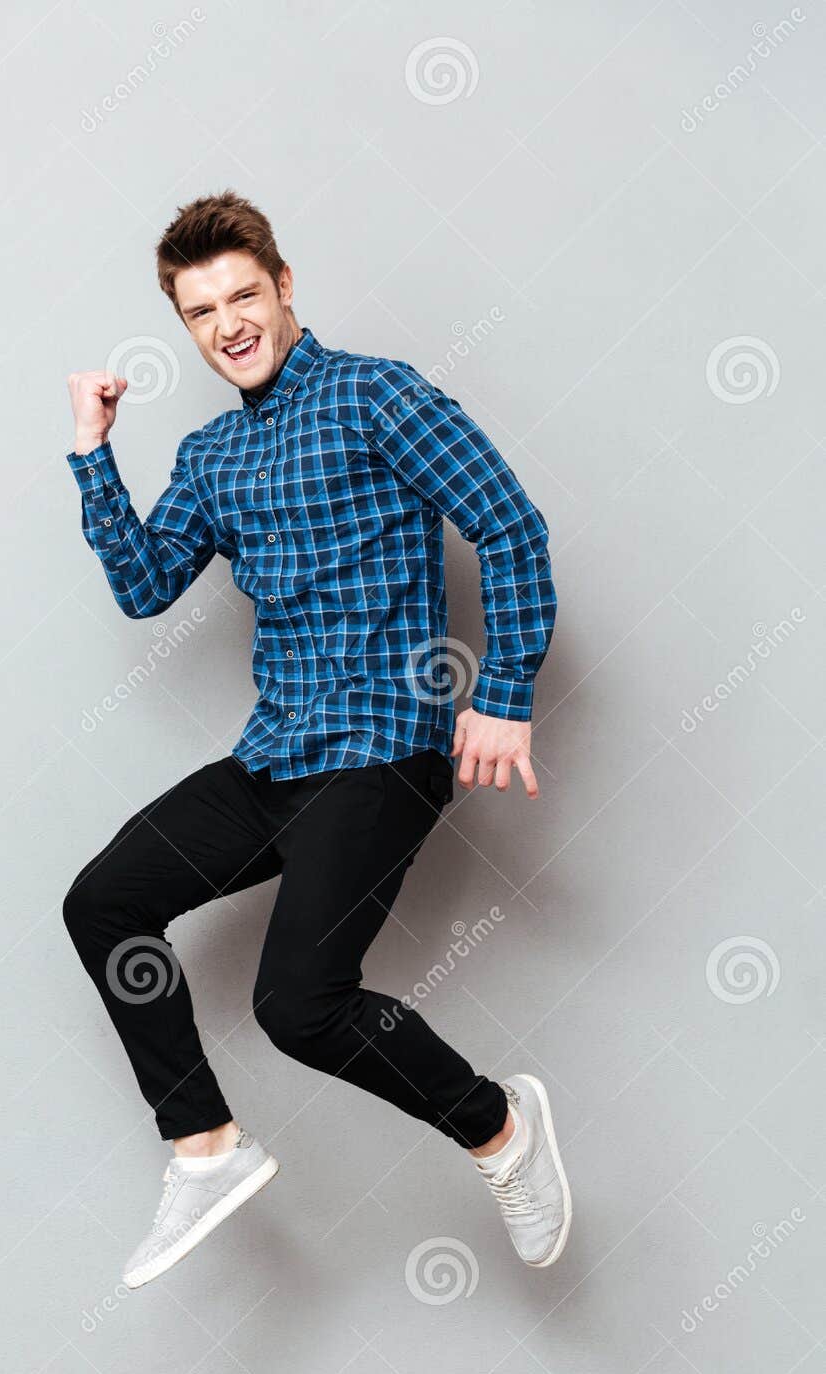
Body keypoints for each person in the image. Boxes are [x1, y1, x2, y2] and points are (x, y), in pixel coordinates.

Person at [63, 190, 571, 1289]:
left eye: (243, 294)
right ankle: (203, 1147)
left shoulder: (376, 396)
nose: (227, 323)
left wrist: (505, 691)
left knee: (297, 1004)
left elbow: (508, 524)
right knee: (100, 899)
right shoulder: (207, 456)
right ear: (186, 329)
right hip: (274, 756)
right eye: (201, 312)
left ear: (283, 288)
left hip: (382, 749)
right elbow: (147, 586)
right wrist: (94, 454)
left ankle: (497, 1128)